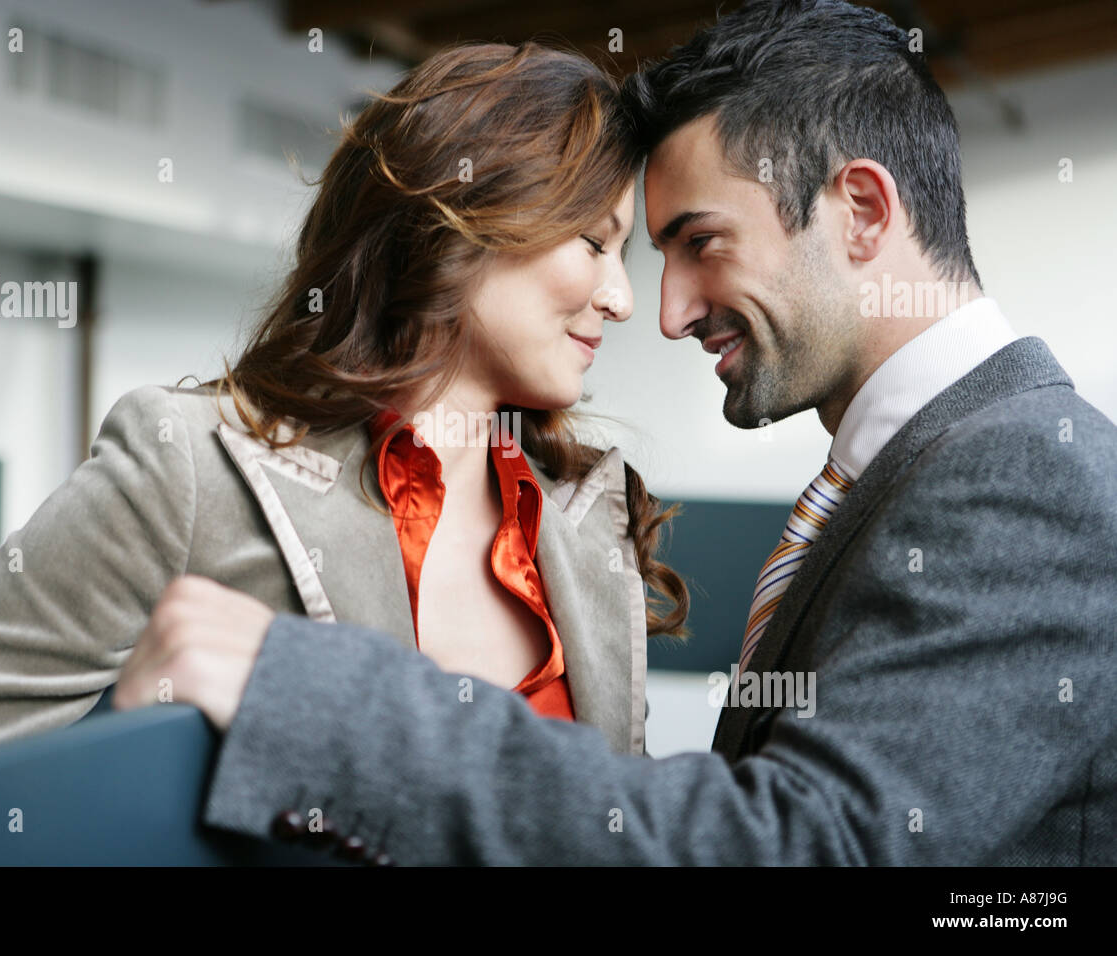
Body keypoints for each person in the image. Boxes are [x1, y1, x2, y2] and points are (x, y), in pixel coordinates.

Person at [112, 0, 1117, 865]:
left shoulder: (1027, 470)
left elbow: (801, 847)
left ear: (858, 210)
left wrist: (331, 711)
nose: (665, 310)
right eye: (613, 245)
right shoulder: (925, 465)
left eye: (700, 243)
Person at [0, 42, 689, 790]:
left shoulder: (586, 523)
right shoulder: (188, 469)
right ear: (461, 221)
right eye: (593, 242)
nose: (621, 298)